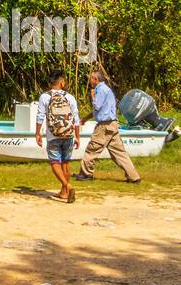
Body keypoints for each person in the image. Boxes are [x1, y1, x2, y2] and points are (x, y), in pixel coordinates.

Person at [74, 66, 142, 185]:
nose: (89, 81)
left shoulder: (100, 90)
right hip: (112, 124)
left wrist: (92, 95)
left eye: (91, 78)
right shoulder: (107, 90)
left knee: (92, 149)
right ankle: (134, 177)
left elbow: (97, 106)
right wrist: (85, 119)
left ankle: (86, 174)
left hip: (104, 126)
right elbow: (100, 110)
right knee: (119, 153)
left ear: (96, 80)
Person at [35, 69, 80, 203]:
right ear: (61, 82)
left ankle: (67, 187)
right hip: (68, 134)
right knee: (65, 163)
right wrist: (77, 136)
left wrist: (37, 133)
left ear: (50, 83)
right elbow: (76, 118)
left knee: (55, 162)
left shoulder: (45, 97)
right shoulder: (70, 97)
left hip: (53, 135)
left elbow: (40, 116)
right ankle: (64, 192)